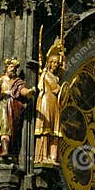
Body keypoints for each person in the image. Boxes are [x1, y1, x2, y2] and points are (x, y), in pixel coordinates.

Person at [0, 58, 36, 158]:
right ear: (6, 68)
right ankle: (4, 150)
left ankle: (9, 150)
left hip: (14, 107)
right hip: (4, 105)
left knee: (12, 130)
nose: (13, 69)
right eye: (11, 67)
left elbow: (22, 90)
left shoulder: (17, 81)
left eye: (15, 68)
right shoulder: (1, 80)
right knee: (4, 128)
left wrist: (29, 92)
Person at [34, 37, 66, 166]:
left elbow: (62, 73)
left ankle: (53, 157)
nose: (56, 65)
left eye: (57, 63)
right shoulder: (46, 75)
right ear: (49, 63)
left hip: (54, 103)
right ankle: (43, 155)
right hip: (46, 102)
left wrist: (63, 56)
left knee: (54, 130)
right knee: (46, 129)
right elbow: (56, 89)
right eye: (54, 63)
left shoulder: (56, 77)